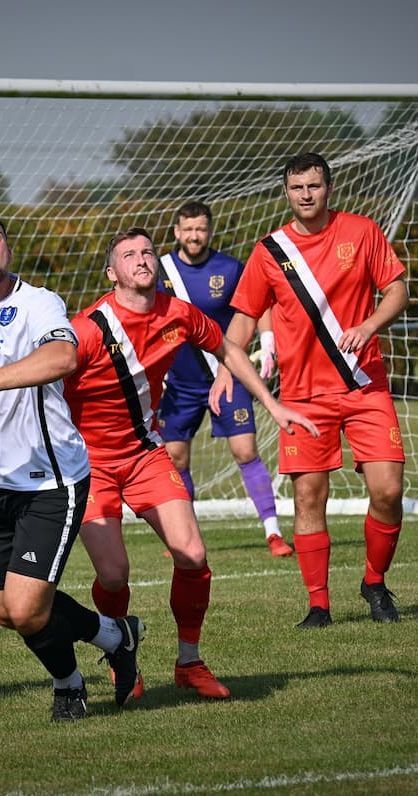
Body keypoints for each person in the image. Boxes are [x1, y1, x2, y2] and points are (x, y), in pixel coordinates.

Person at [66, 227, 315, 701]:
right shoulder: (87, 328)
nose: (141, 259)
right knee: (115, 574)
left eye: (146, 252)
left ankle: (189, 662)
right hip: (91, 464)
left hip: (145, 455)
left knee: (194, 555)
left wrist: (272, 405)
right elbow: (50, 386)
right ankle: (121, 652)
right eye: (128, 255)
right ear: (111, 272)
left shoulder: (178, 313)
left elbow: (228, 350)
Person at [0, 212, 144, 722]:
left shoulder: (37, 302)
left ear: (7, 250)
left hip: (53, 478)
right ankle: (116, 636)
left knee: (26, 609)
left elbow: (64, 358)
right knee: (5, 612)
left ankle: (68, 683)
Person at [220, 151, 410, 629]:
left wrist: (368, 325)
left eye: (314, 186)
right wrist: (226, 369)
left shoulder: (362, 232)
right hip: (303, 398)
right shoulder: (270, 251)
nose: (306, 195)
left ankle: (374, 581)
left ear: (329, 188)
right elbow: (242, 321)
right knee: (309, 498)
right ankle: (319, 605)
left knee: (387, 491)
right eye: (297, 187)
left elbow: (399, 291)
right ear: (286, 192)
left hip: (365, 386)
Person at [156, 201, 293, 558]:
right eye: (187, 230)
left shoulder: (230, 269)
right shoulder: (160, 272)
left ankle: (273, 532)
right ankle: (185, 535)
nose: (194, 236)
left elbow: (257, 306)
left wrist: (268, 341)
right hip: (179, 383)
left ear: (209, 231)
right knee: (176, 457)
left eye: (200, 229)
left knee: (245, 450)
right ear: (176, 232)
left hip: (227, 374)